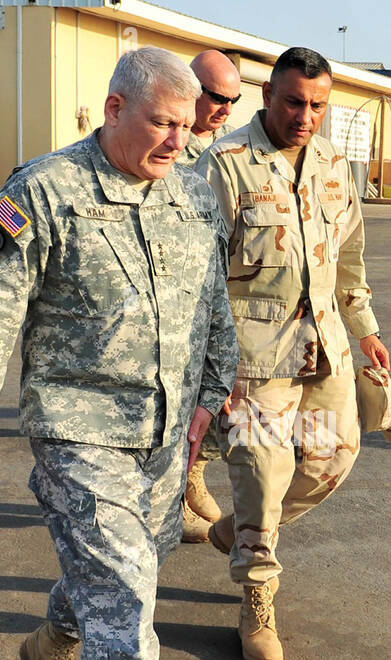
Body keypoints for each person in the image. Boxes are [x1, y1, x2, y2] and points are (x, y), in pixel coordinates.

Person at [0, 47, 238, 660]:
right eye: (161, 122)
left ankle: (51, 647)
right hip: (76, 428)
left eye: (188, 124)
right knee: (124, 582)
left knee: (132, 561)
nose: (179, 139)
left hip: (167, 431)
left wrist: (215, 392)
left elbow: (214, 302)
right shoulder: (41, 192)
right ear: (113, 109)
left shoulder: (190, 192)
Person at [195, 47, 389, 660]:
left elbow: (350, 258)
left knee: (334, 459)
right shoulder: (222, 167)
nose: (306, 116)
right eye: (294, 102)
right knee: (260, 467)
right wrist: (213, 367)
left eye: (318, 105)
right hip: (251, 357)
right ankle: (257, 594)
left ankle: (237, 531)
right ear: (267, 98)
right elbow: (197, 280)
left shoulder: (336, 165)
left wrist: (365, 331)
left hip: (326, 346)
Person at [177, 49, 240, 544]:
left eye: (233, 101)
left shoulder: (226, 149)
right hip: (174, 297)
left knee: (219, 397)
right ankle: (172, 492)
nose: (225, 109)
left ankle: (193, 472)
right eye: (217, 97)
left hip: (221, 295)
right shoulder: (164, 143)